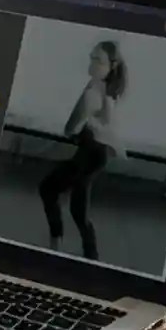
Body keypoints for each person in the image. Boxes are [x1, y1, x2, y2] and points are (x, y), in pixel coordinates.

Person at [37, 41, 129, 261]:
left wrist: (76, 132)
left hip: (92, 153)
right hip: (96, 153)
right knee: (74, 207)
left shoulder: (95, 92)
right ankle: (85, 254)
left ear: (111, 66)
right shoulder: (107, 89)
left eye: (99, 60)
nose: (93, 62)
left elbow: (71, 127)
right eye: (92, 57)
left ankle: (65, 247)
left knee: (50, 190)